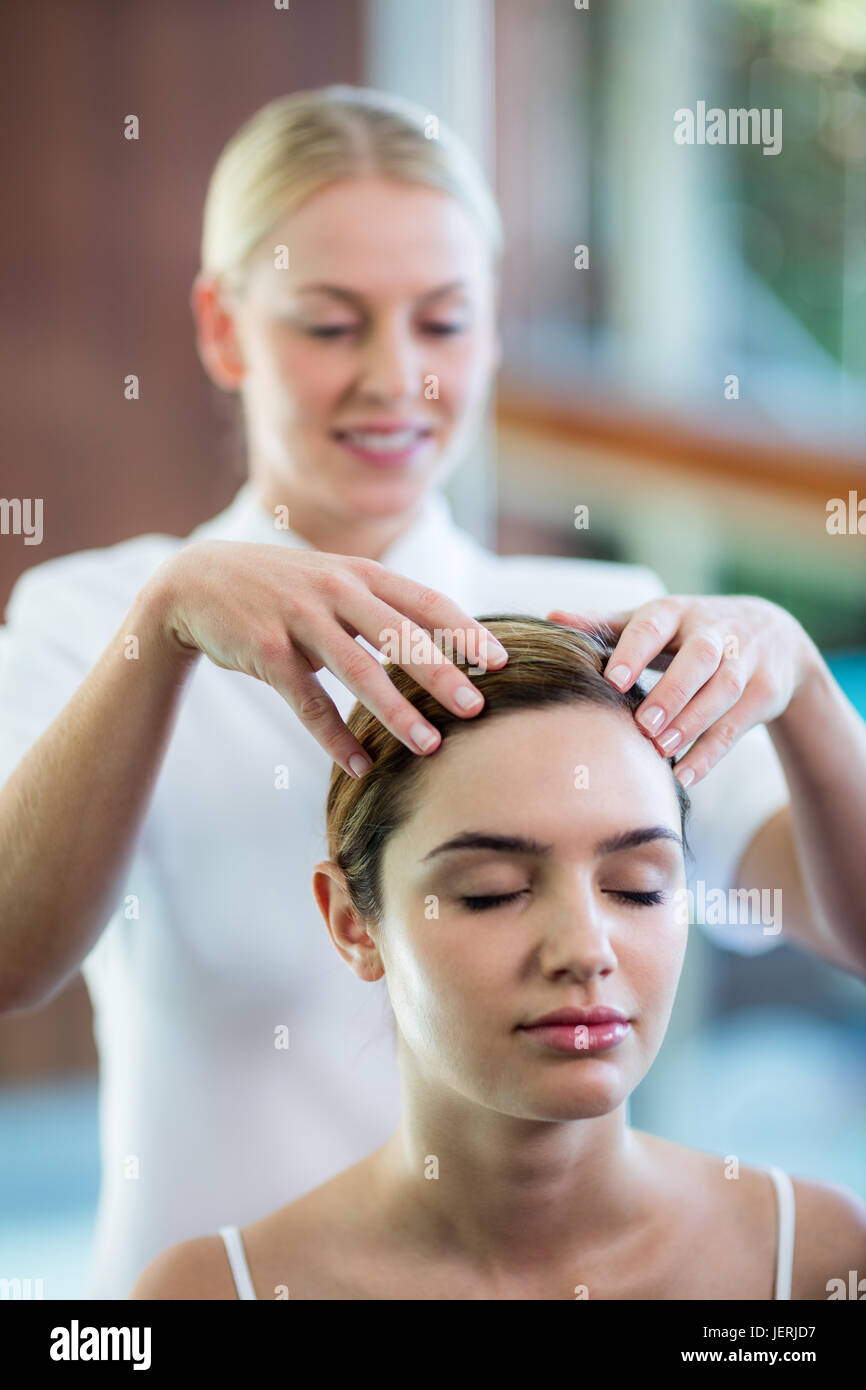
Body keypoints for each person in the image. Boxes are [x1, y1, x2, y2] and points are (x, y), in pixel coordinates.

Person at [1, 86, 864, 1301]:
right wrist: (169, 618)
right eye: (330, 323)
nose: (395, 378)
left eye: (444, 323)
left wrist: (799, 683)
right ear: (224, 324)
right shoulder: (99, 617)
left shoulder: (595, 625)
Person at [128, 617, 866, 1300]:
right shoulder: (216, 1292)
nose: (583, 952)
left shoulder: (810, 1261)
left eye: (637, 889)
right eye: (492, 893)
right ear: (354, 925)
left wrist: (804, 677)